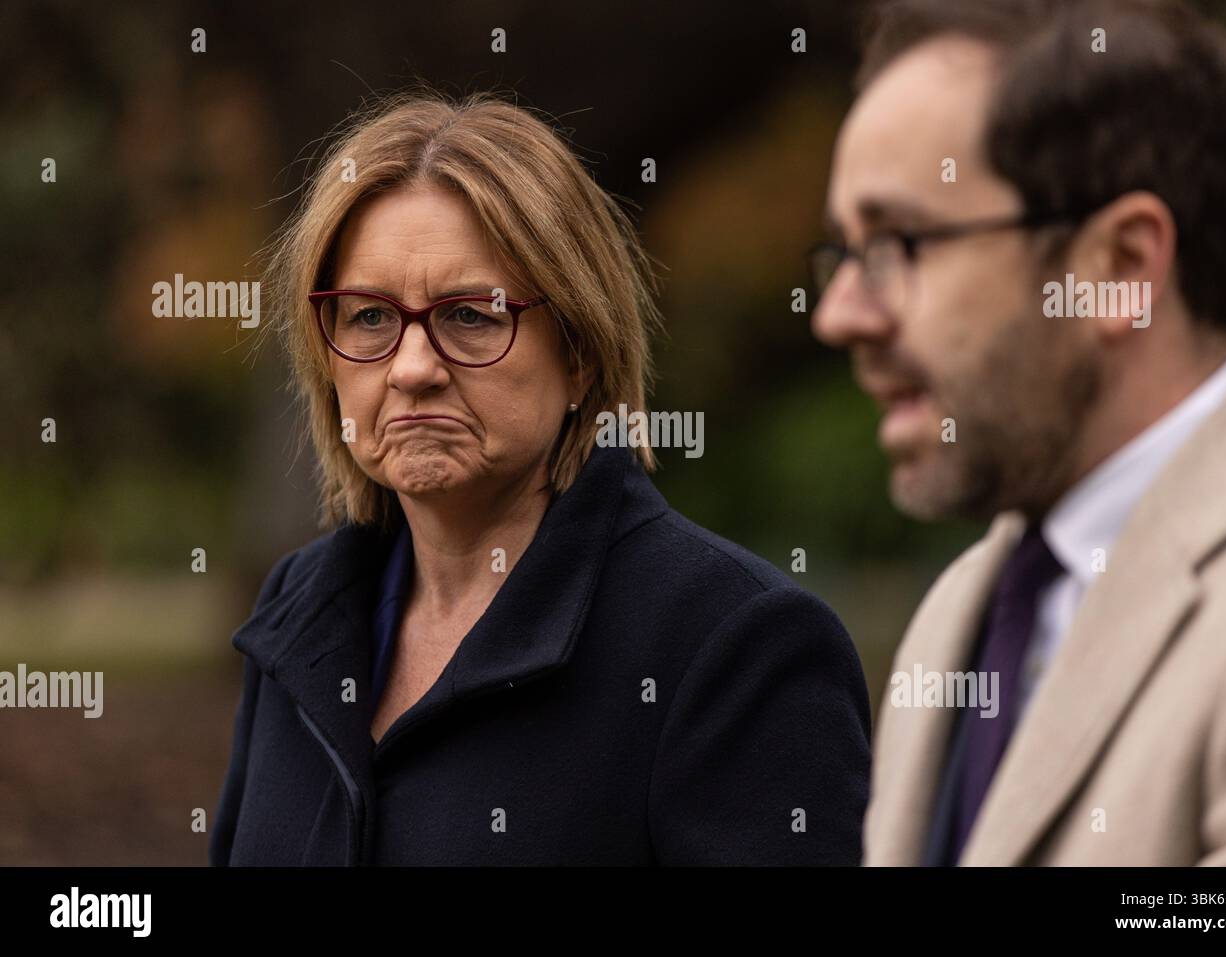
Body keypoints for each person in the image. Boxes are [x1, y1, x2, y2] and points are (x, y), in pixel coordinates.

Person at [210, 90, 872, 865]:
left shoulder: (734, 644)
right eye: (369, 317)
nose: (413, 367)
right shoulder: (299, 614)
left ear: (581, 353)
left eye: (471, 316)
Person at [811, 0, 1226, 864]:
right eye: (843, 253)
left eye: (899, 244)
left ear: (1119, 267)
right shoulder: (960, 611)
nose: (840, 314)